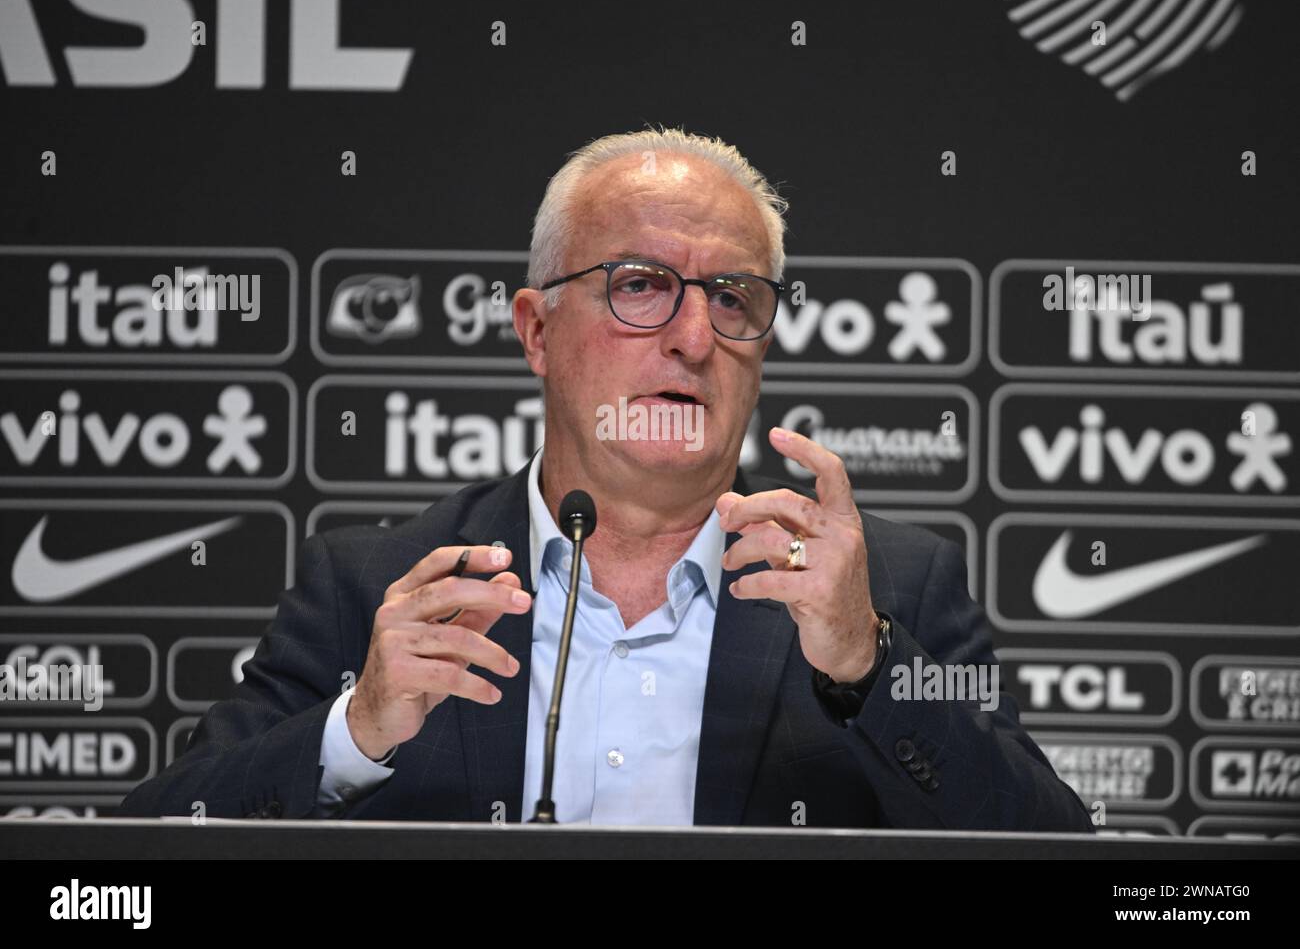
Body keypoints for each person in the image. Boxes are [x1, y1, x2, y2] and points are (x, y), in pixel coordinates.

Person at [119, 127, 1093, 830]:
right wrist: (357, 725)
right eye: (640, 284)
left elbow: (1050, 848)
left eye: (732, 295)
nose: (694, 335)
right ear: (537, 331)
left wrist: (868, 663)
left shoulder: (884, 585)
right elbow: (135, 862)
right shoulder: (373, 583)